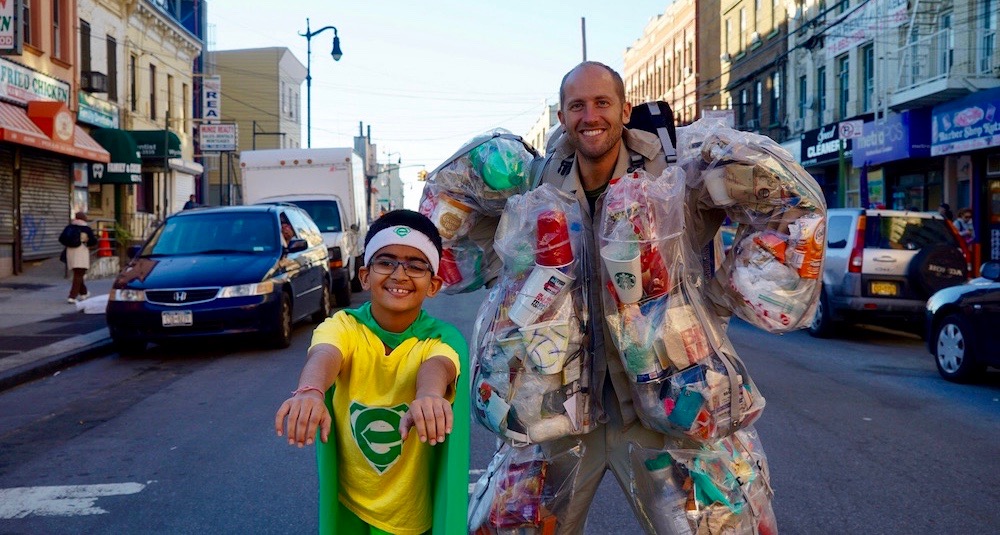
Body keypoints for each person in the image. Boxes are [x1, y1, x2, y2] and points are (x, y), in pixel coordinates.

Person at [474, 62, 821, 532]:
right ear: (562, 116)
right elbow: (464, 238)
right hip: (563, 410)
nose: (590, 116)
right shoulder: (539, 182)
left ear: (624, 109)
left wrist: (719, 297)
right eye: (577, 105)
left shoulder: (677, 168)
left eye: (602, 102)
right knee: (514, 524)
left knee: (714, 525)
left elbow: (791, 204)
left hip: (667, 401)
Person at [274, 209, 467, 535]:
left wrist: (429, 395)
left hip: (410, 516)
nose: (399, 274)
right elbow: (325, 353)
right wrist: (310, 391)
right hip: (350, 504)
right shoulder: (344, 326)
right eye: (386, 262)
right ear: (364, 276)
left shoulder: (441, 338)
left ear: (433, 284)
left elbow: (439, 364)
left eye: (416, 265)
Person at [61, 212, 97, 304]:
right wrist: (87, 241)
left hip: (70, 252)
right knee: (79, 274)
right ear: (84, 218)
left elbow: (61, 238)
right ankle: (72, 296)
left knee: (78, 273)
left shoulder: (69, 227)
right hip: (81, 251)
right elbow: (93, 241)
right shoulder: (86, 228)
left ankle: (84, 293)